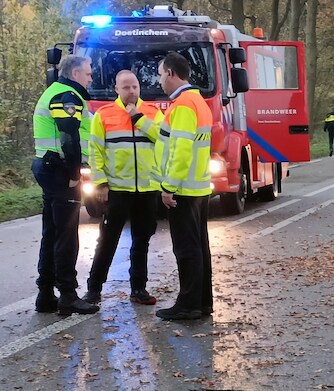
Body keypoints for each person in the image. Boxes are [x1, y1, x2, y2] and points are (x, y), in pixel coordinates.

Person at [82, 70, 164, 307]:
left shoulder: (152, 112)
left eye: (135, 87)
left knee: (142, 241)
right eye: (126, 87)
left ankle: (138, 288)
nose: (131, 91)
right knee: (107, 241)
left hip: (147, 189)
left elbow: (163, 139)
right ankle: (94, 289)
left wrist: (139, 117)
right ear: (116, 89)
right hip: (117, 189)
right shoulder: (104, 115)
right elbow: (95, 152)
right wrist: (100, 183)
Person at [31, 55, 100, 316]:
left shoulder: (61, 92)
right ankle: (68, 295)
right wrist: (74, 172)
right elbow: (69, 137)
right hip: (60, 170)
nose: (91, 78)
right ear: (74, 73)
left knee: (52, 232)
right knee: (66, 235)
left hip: (50, 168)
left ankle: (46, 293)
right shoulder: (66, 96)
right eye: (88, 73)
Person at [154, 52, 214, 320]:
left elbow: (181, 151)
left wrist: (168, 187)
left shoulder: (183, 105)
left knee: (187, 250)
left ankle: (188, 304)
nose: (159, 81)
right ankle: (201, 302)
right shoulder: (197, 101)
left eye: (159, 74)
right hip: (197, 187)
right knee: (199, 248)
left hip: (184, 190)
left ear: (170, 73)